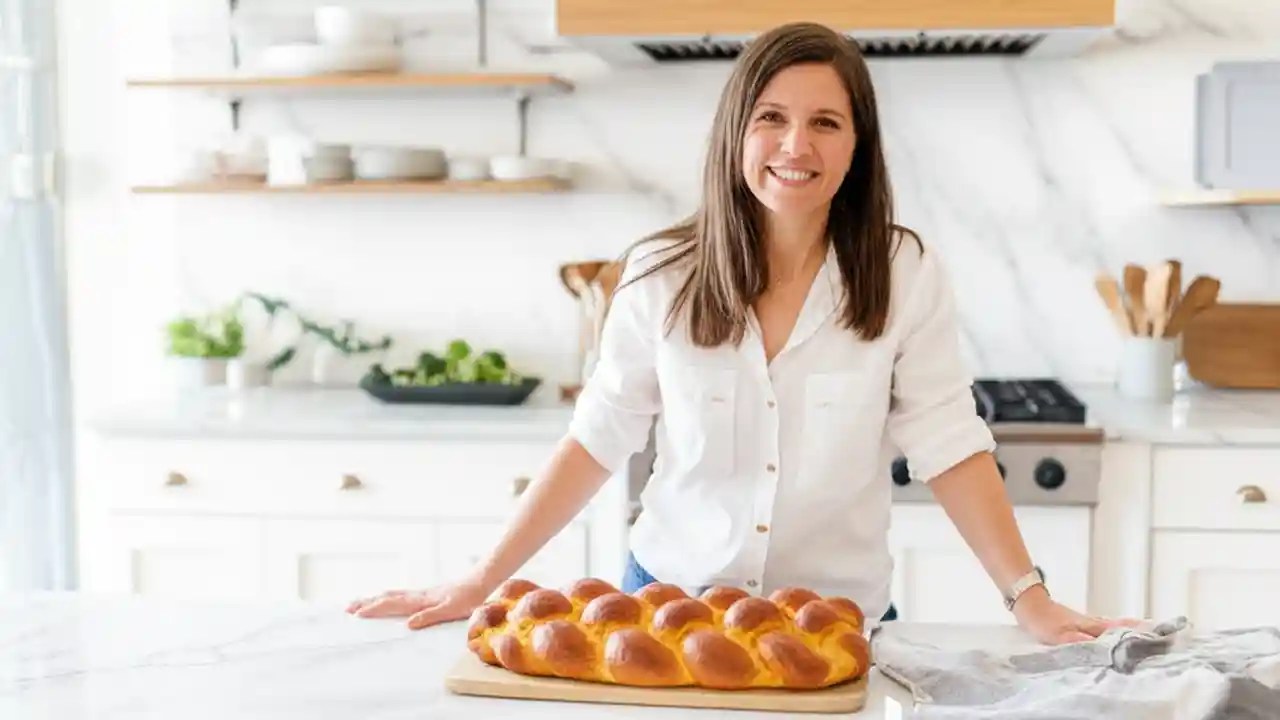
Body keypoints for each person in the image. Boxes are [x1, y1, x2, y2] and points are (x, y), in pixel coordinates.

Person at [347, 21, 1132, 645]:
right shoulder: (659, 271)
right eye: (772, 119)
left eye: (826, 122)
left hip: (839, 625)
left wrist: (1029, 599)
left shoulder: (904, 272)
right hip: (662, 614)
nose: (797, 146)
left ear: (857, 149)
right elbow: (596, 438)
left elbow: (950, 444)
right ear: (736, 135)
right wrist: (480, 581)